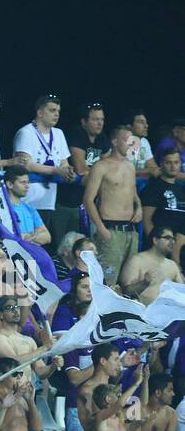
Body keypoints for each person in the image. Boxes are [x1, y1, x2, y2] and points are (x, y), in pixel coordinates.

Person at [11, 95, 78, 247]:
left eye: (58, 111)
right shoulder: (26, 133)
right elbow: (25, 164)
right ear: (40, 113)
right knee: (26, 244)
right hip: (26, 200)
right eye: (52, 110)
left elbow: (64, 162)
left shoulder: (59, 134)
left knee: (44, 247)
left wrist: (68, 170)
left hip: (48, 202)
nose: (56, 114)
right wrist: (56, 170)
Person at [83, 124, 143, 282]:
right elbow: (88, 200)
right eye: (126, 140)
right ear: (115, 142)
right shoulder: (101, 166)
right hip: (111, 229)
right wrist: (101, 228)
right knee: (108, 281)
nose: (130, 144)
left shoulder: (130, 166)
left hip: (131, 231)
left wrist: (139, 207)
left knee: (130, 281)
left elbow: (133, 192)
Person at [142, 148, 185, 267]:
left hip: (180, 248)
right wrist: (156, 245)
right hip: (160, 247)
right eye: (168, 162)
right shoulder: (152, 188)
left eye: (176, 162)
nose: (173, 166)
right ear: (161, 164)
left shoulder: (182, 189)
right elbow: (146, 220)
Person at [120, 226, 183, 305]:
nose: (172, 242)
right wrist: (144, 283)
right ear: (155, 240)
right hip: (142, 312)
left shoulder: (172, 265)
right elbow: (126, 292)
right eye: (167, 238)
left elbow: (182, 291)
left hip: (167, 312)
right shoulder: (137, 260)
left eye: (173, 239)